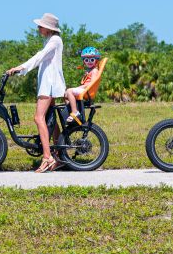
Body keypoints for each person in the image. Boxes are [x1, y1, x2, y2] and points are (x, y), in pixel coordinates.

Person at [6, 13, 66, 173]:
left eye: (40, 26)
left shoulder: (54, 40)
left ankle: (48, 157)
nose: (38, 28)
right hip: (48, 84)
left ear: (48, 28)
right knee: (50, 119)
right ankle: (58, 155)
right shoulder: (51, 40)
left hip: (49, 85)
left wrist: (21, 67)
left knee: (38, 118)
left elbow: (39, 57)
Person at [65, 47, 103, 125]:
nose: (89, 62)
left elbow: (91, 84)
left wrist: (80, 87)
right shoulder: (90, 71)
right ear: (84, 61)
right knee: (65, 95)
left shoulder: (94, 71)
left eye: (92, 60)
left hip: (87, 92)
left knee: (69, 91)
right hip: (86, 91)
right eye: (86, 60)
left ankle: (75, 112)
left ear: (96, 60)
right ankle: (72, 112)